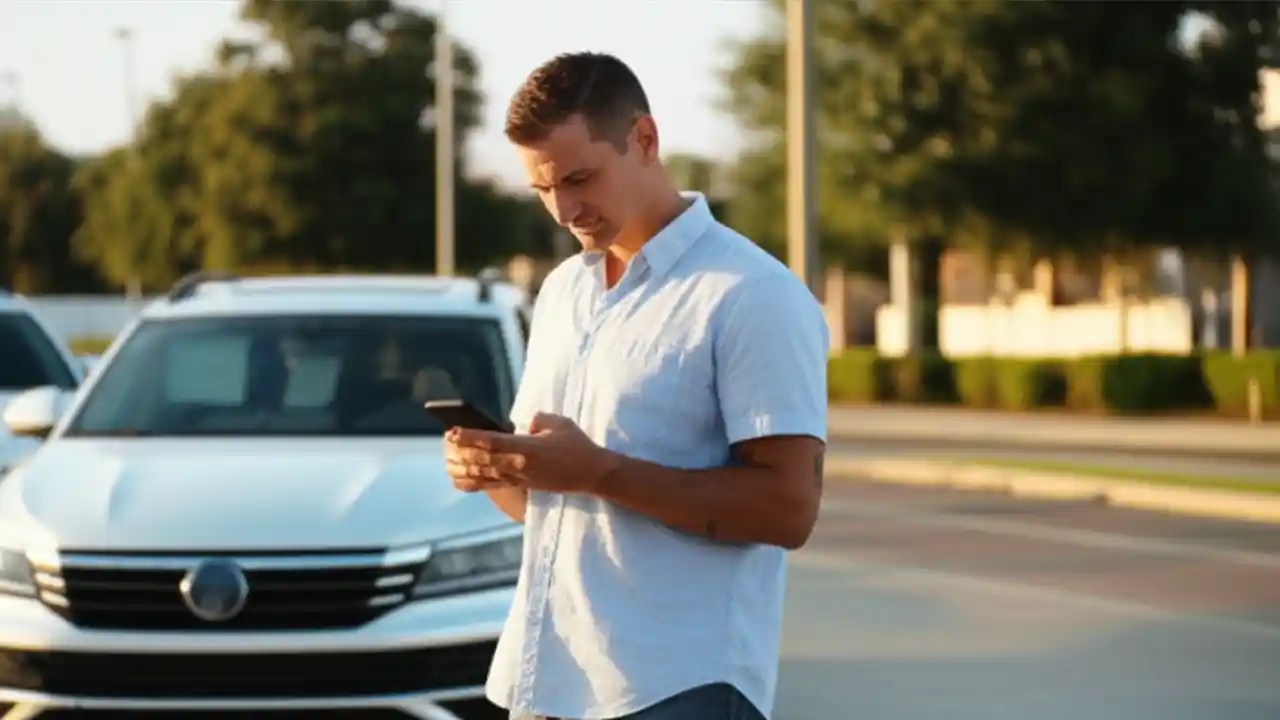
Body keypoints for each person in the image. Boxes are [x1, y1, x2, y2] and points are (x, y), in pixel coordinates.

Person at [443, 52, 829, 720]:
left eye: (580, 178)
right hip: (547, 679)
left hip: (675, 685)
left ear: (644, 140)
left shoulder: (752, 294)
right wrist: (496, 469)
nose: (563, 209)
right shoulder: (564, 292)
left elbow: (787, 509)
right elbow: (552, 505)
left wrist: (596, 471)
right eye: (542, 188)